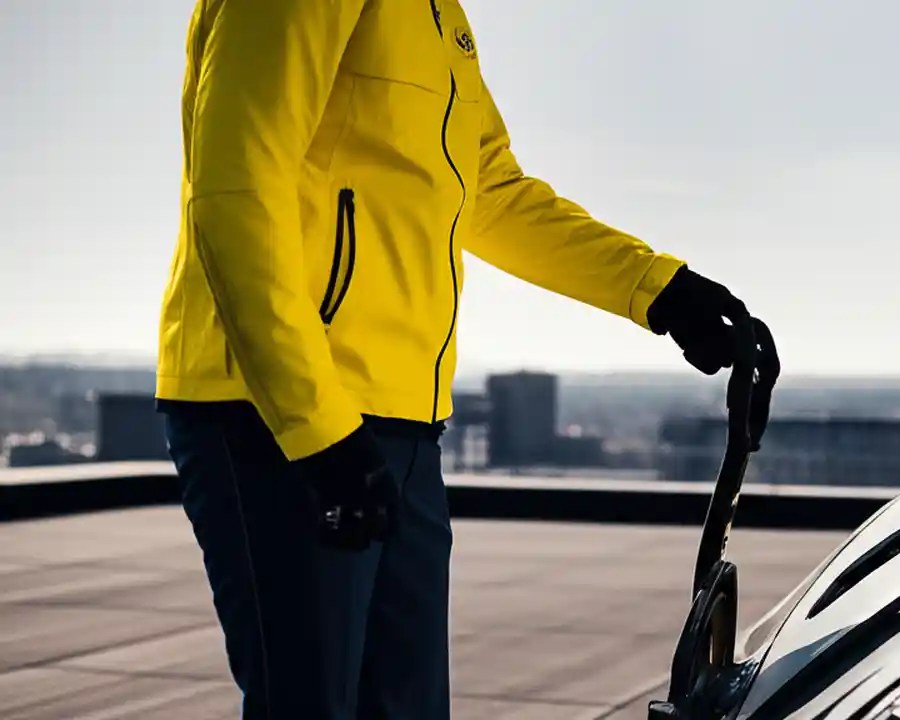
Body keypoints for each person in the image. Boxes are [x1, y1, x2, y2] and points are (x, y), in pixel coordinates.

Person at [154, 1, 771, 718]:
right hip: (273, 413)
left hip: (399, 423)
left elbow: (493, 195)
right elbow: (234, 186)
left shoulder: (441, 18)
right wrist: (313, 425)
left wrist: (656, 287)